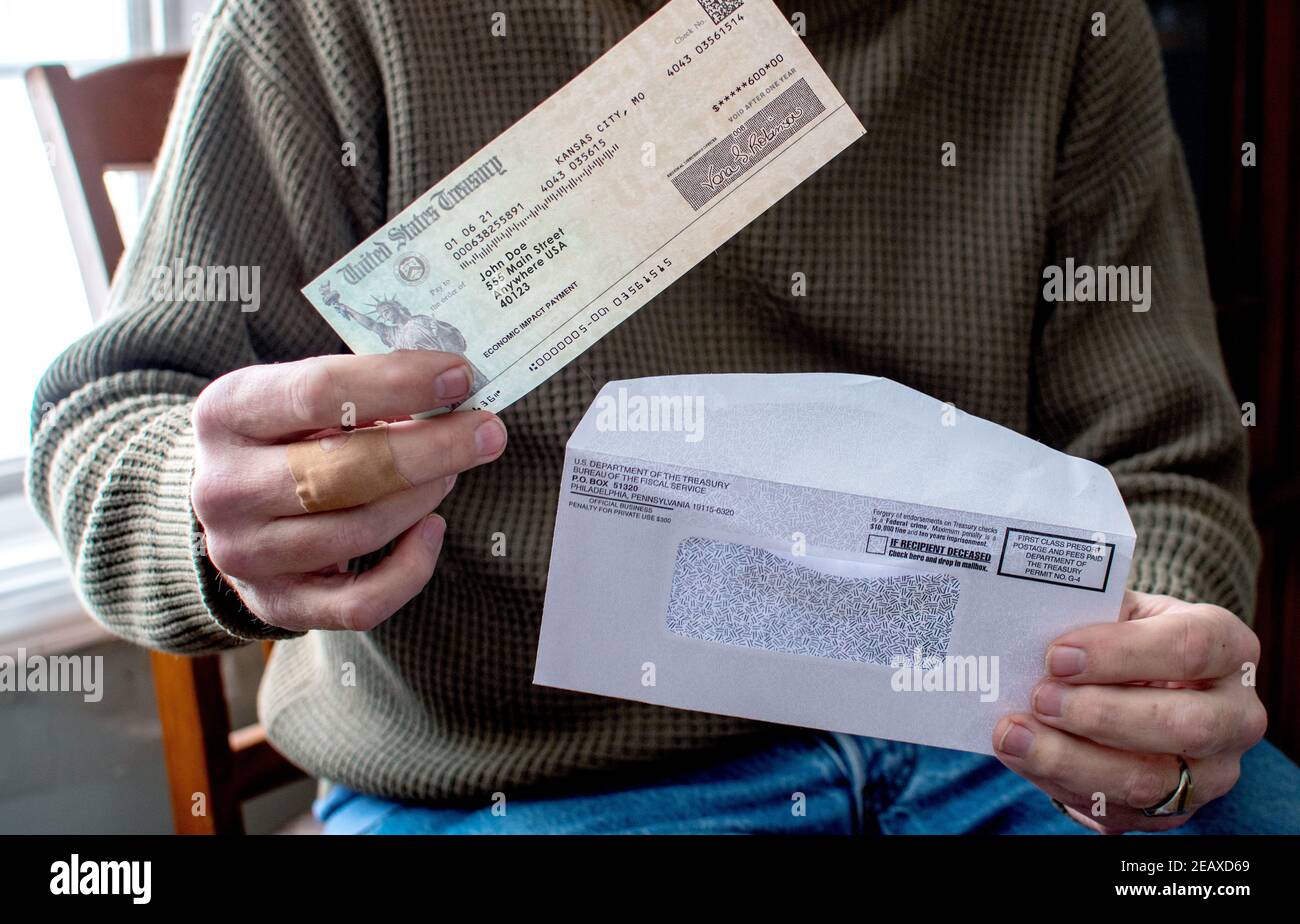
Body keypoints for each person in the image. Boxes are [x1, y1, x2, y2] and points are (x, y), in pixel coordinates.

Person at [27, 0, 1300, 834]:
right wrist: (213, 519)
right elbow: (109, 425)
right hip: (522, 778)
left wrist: (1160, 679)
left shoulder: (1061, 27)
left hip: (1003, 752)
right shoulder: (339, 16)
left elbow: (1163, 463)